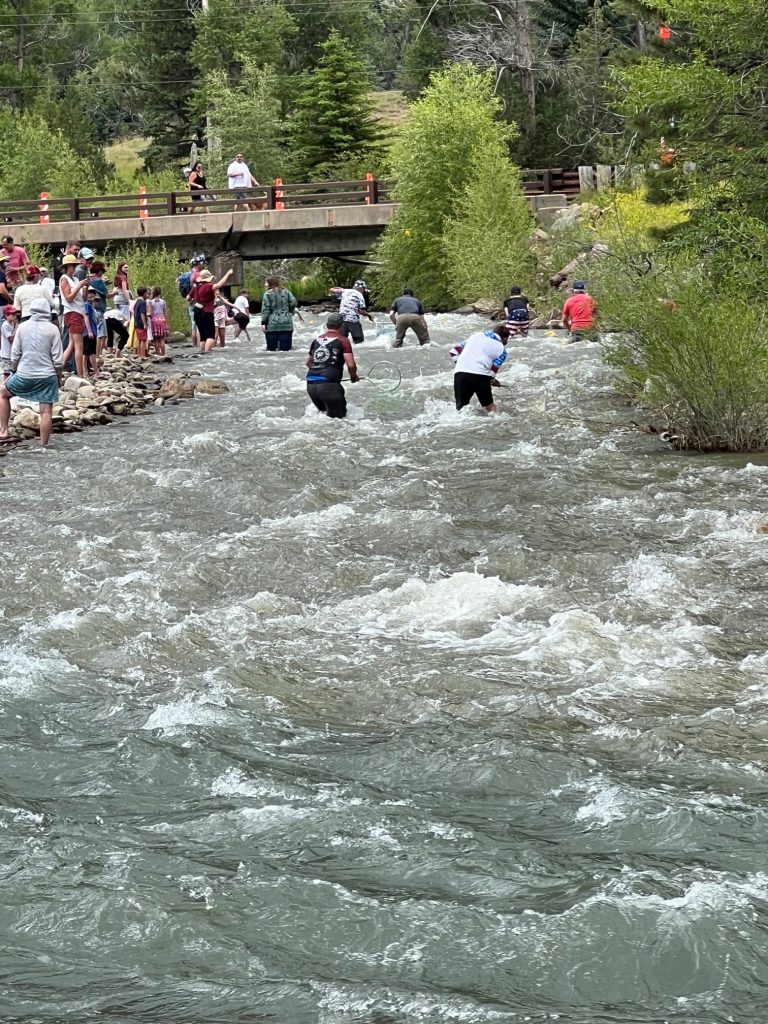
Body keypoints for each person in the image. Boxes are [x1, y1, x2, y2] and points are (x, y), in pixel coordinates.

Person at [0, 297, 64, 447]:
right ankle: (44, 445)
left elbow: (15, 354)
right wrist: (59, 377)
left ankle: (3, 431)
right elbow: (58, 359)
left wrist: (13, 371)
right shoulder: (53, 329)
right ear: (47, 311)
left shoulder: (22, 327)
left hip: (24, 375)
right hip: (47, 376)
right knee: (46, 411)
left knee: (3, 394)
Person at [305, 312, 358, 419]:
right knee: (339, 420)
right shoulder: (343, 340)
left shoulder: (317, 340)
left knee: (323, 418)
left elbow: (308, 362)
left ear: (327, 325)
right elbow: (351, 365)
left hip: (311, 385)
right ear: (342, 325)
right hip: (329, 386)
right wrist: (353, 377)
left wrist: (320, 373)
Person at [449, 323, 512, 413]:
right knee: (490, 407)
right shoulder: (502, 350)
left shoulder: (475, 336)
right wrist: (493, 381)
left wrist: (462, 365)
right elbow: (492, 373)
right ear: (505, 338)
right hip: (481, 376)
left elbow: (453, 352)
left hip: (460, 373)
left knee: (460, 408)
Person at [188, 267, 234, 352]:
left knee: (203, 336)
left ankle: (202, 353)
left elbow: (188, 298)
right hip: (207, 312)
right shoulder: (209, 286)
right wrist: (228, 273)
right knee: (210, 336)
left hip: (196, 313)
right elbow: (220, 284)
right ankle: (206, 353)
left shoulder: (195, 287)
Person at [59, 253, 89, 377]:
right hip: (72, 313)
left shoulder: (75, 280)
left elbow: (84, 298)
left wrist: (85, 287)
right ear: (67, 267)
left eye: (75, 266)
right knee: (78, 346)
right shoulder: (64, 279)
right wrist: (80, 285)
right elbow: (69, 298)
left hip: (77, 312)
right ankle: (81, 374)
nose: (74, 268)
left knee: (72, 345)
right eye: (72, 266)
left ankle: (57, 369)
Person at [329, 279, 374, 344]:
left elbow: (331, 289)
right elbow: (361, 311)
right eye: (364, 289)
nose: (364, 291)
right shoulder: (359, 295)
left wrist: (339, 288)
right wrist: (369, 315)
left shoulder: (344, 291)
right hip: (353, 320)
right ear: (361, 288)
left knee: (342, 341)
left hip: (342, 320)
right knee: (359, 342)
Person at [261, 276, 298, 352]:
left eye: (266, 283)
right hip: (286, 323)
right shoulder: (287, 292)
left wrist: (263, 323)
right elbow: (294, 302)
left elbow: (266, 309)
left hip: (272, 324)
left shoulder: (267, 294)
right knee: (286, 350)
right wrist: (289, 310)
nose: (265, 284)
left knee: (271, 350)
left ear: (270, 283)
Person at [88, 262, 108, 357]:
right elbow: (106, 294)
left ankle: (94, 354)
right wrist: (115, 292)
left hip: (91, 309)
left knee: (95, 331)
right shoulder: (98, 280)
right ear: (99, 271)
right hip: (99, 308)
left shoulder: (89, 279)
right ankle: (98, 354)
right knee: (100, 334)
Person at [83, 288, 100, 376]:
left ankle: (86, 371)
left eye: (93, 294)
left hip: (92, 331)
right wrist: (90, 331)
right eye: (89, 293)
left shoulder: (91, 306)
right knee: (91, 352)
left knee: (86, 352)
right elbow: (86, 318)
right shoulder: (86, 305)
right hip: (89, 332)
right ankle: (96, 372)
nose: (91, 295)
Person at [150, 287, 168, 356]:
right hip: (162, 320)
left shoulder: (151, 302)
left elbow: (150, 312)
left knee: (156, 339)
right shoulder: (163, 301)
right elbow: (165, 312)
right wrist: (167, 322)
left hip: (154, 321)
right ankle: (163, 354)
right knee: (162, 339)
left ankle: (158, 354)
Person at [1, 305, 18, 379]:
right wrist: (16, 327)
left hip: (12, 352)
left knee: (14, 372)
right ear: (6, 316)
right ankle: (5, 385)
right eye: (12, 314)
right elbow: (11, 339)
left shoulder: (13, 324)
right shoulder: (5, 325)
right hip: (7, 354)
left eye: (15, 314)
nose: (15, 315)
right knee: (7, 373)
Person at [133, 286, 150, 359]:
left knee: (139, 339)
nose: (147, 294)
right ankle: (142, 355)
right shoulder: (142, 302)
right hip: (141, 323)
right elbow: (142, 313)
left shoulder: (136, 302)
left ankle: (139, 354)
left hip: (136, 323)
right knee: (143, 339)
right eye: (147, 293)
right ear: (144, 293)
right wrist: (145, 324)